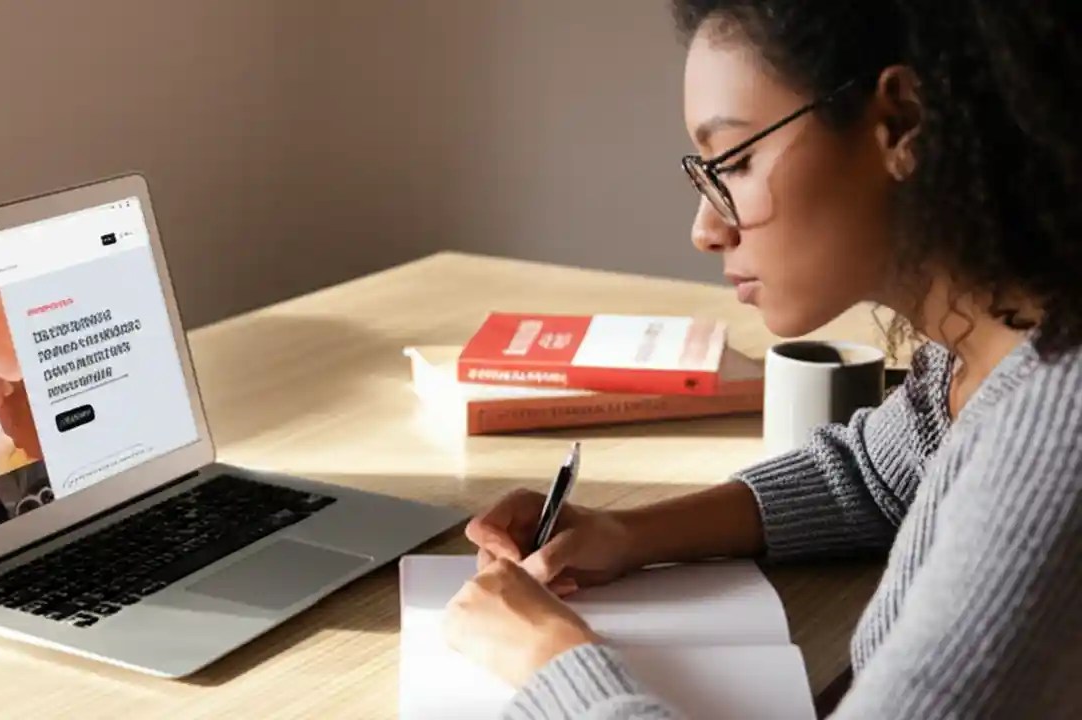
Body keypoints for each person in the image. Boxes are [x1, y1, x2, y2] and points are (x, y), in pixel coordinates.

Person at [442, 1, 1082, 718]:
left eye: (737, 162)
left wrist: (550, 663)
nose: (705, 228)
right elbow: (875, 475)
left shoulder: (1058, 428)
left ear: (901, 123)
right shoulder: (989, 345)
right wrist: (629, 534)